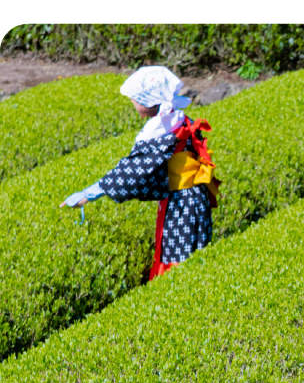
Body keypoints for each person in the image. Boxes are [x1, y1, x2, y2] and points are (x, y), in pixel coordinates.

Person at [59, 66, 216, 279]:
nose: (133, 104)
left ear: (148, 100)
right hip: (195, 197)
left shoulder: (161, 131)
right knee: (196, 254)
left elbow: (132, 173)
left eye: (135, 100)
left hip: (182, 204)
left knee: (180, 262)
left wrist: (90, 193)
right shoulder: (175, 119)